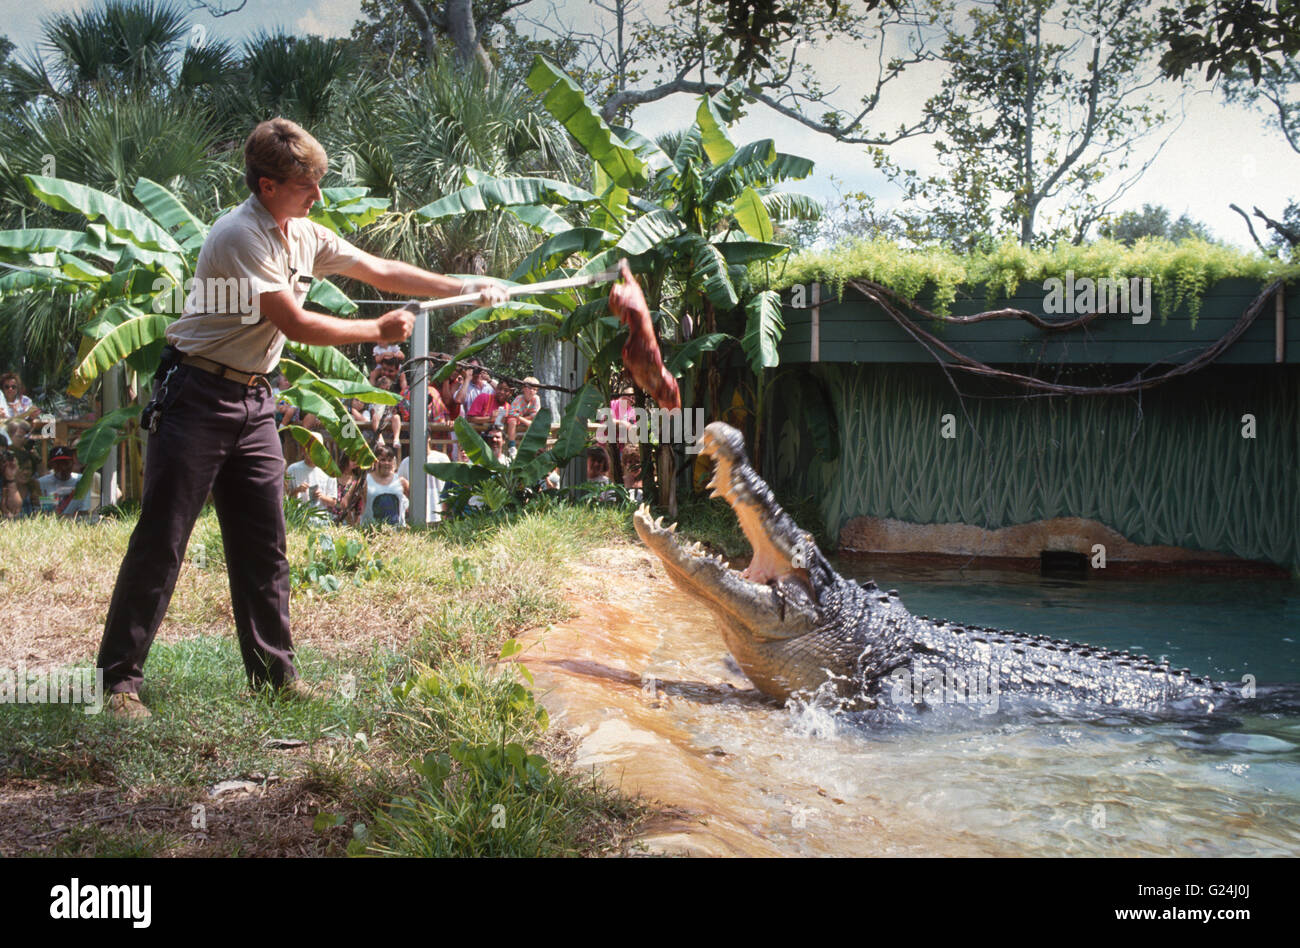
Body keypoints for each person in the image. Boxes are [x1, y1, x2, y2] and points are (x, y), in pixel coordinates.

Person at [94, 117, 508, 720]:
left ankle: (274, 676)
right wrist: (378, 330)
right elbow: (295, 322)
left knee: (265, 543)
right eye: (305, 185)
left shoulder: (303, 233)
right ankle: (117, 684)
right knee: (162, 540)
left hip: (255, 400)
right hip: (197, 396)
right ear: (267, 185)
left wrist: (466, 285)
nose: (317, 196)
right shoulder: (240, 235)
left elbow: (379, 270)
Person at [398, 430, 450, 524]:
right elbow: (399, 488)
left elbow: (450, 486)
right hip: (416, 515)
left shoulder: (442, 458)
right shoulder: (406, 462)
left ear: (429, 438)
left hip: (440, 512)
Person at [359, 445, 408, 526]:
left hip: (397, 534)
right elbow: (346, 503)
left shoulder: (401, 481)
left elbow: (416, 502)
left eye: (389, 460)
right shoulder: (365, 481)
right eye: (383, 460)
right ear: (375, 461)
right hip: (371, 532)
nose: (386, 463)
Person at [285, 448, 337, 517]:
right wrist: (297, 490)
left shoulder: (329, 471)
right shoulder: (293, 469)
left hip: (320, 518)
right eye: (309, 450)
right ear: (303, 451)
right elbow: (286, 497)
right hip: (298, 517)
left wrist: (322, 496)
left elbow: (333, 502)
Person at [38, 445, 86, 517]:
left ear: (73, 463)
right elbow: (40, 510)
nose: (63, 468)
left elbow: (85, 511)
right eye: (58, 464)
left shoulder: (82, 481)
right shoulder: (41, 483)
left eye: (66, 463)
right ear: (51, 465)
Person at [503, 377, 542, 450]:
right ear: (523, 388)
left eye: (535, 389)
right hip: (517, 420)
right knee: (512, 420)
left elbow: (535, 414)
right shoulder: (519, 398)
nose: (532, 391)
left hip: (525, 419)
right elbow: (511, 413)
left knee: (536, 423)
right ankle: (512, 445)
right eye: (530, 388)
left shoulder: (536, 398)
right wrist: (525, 421)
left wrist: (524, 420)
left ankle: (533, 445)